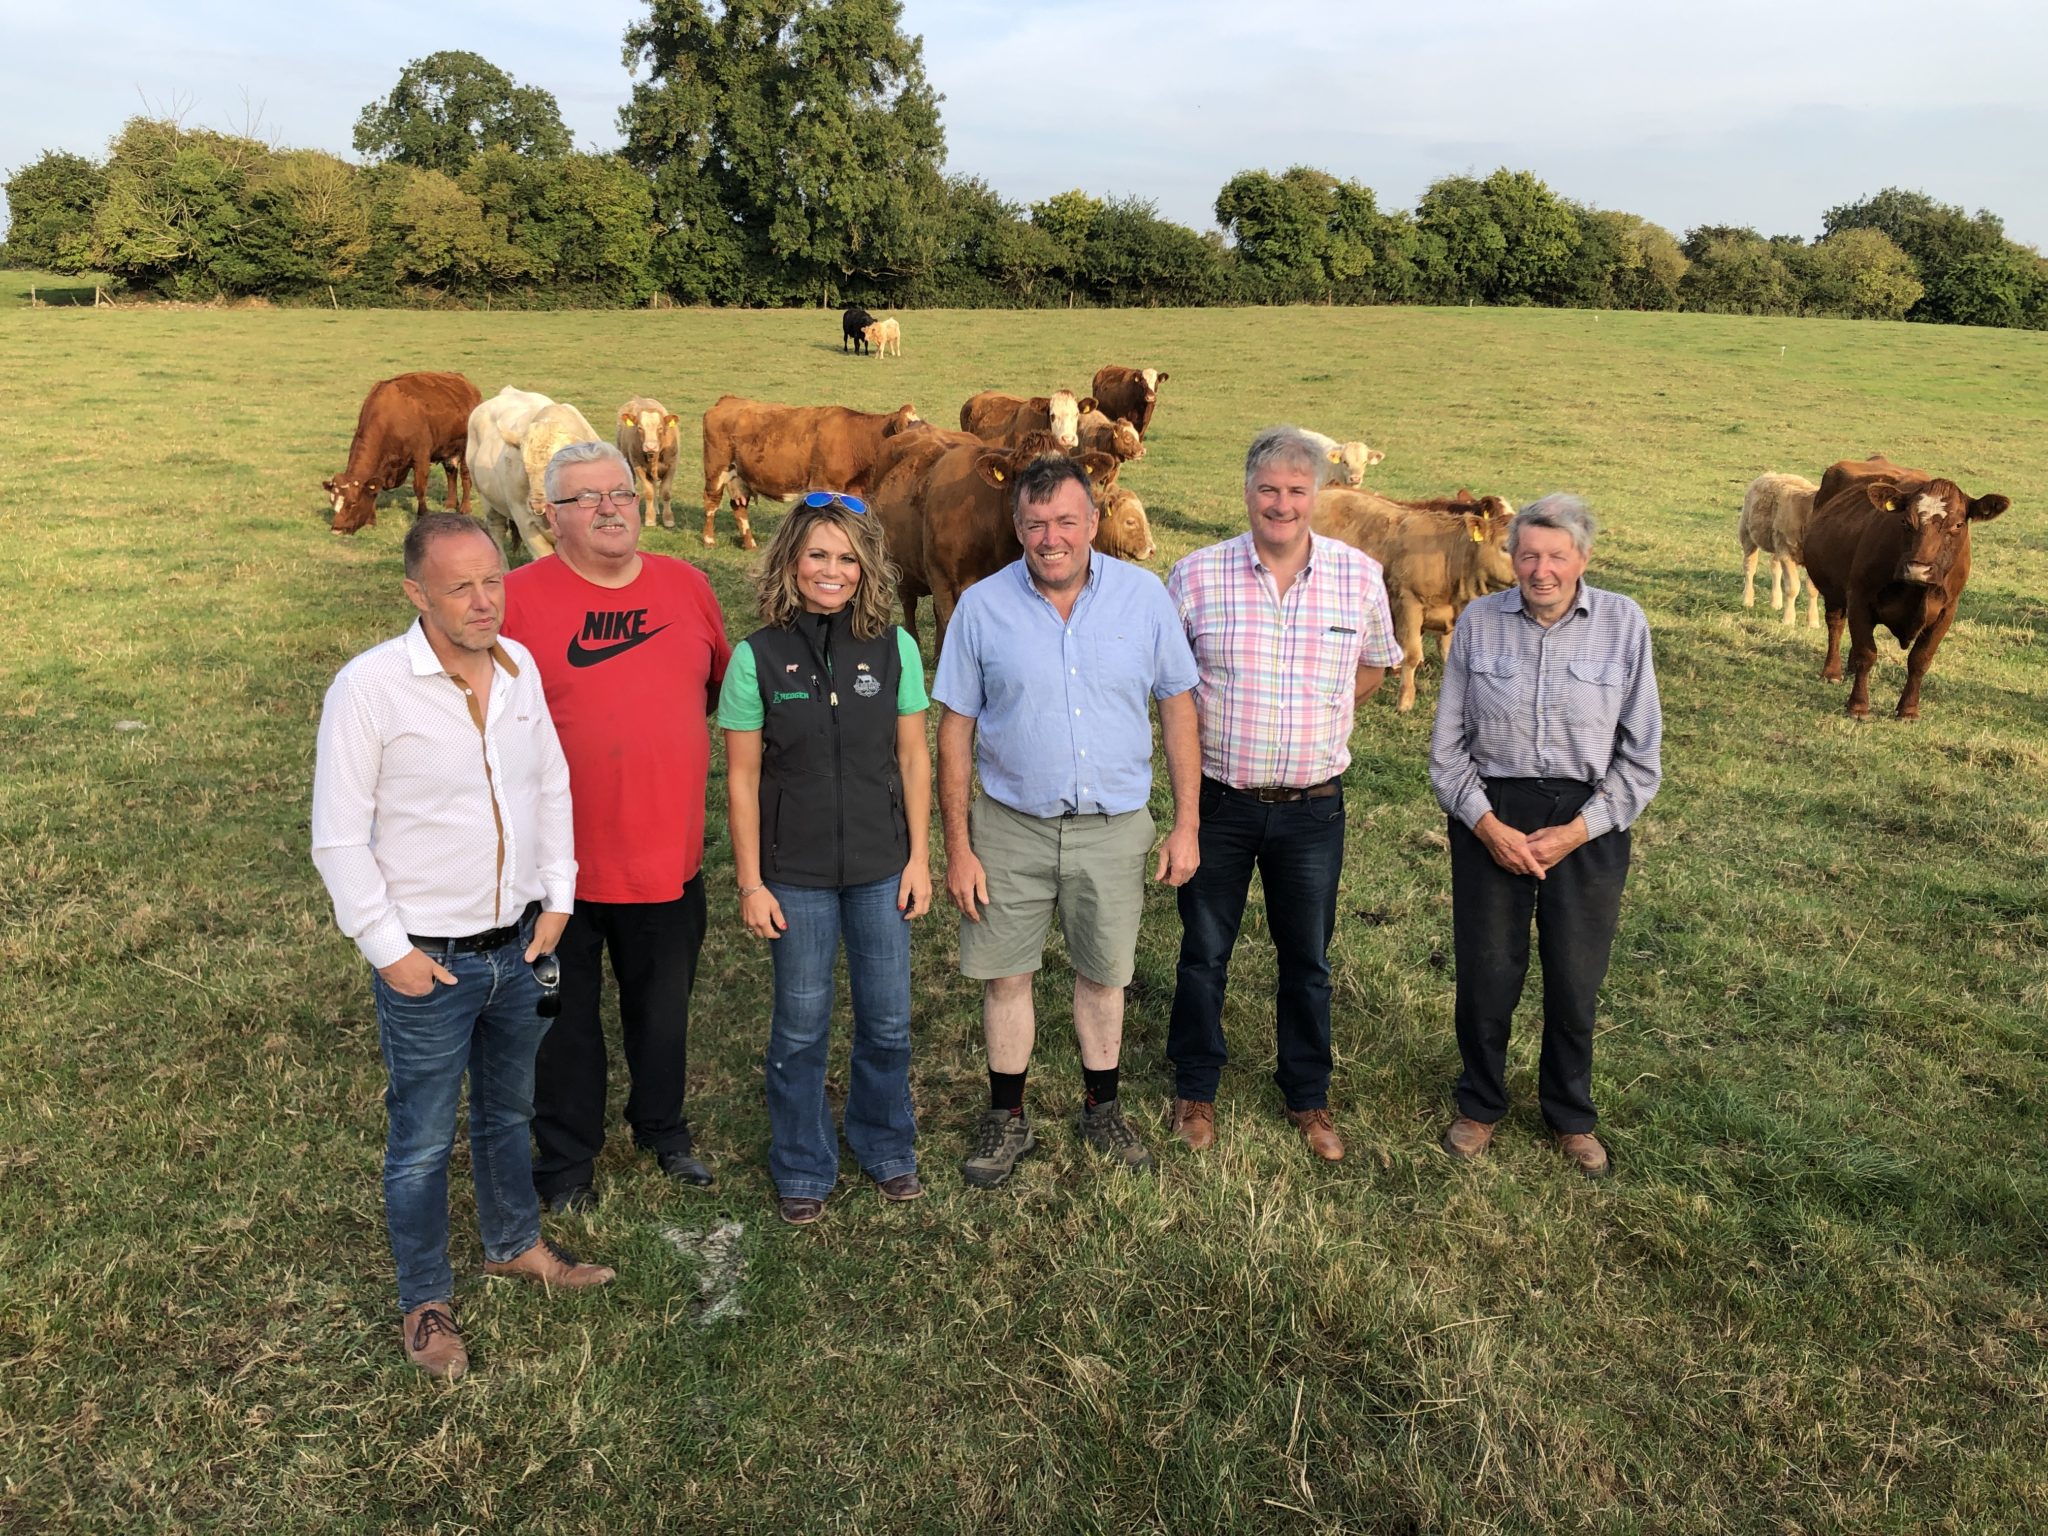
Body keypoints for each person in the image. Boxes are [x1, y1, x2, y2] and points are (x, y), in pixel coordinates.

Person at [312, 512, 614, 1382]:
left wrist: (556, 898)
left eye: (494, 581)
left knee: (507, 1113)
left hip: (517, 949)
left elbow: (550, 781)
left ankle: (514, 1244)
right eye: (460, 587)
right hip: (429, 960)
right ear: (415, 594)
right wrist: (388, 948)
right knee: (419, 1138)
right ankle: (425, 1300)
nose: (485, 602)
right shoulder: (369, 688)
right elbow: (338, 837)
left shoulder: (517, 669)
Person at [933, 454, 1202, 1187]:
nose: (1051, 537)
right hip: (1009, 825)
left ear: (1092, 521)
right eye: (1034, 523)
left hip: (1113, 826)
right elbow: (954, 727)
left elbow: (1177, 706)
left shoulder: (1144, 600)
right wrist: (957, 845)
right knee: (1006, 976)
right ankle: (1007, 1118)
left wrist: (1187, 824)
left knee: (1103, 975)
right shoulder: (981, 607)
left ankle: (1101, 1106)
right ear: (1016, 526)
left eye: (1066, 521)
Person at [501, 442, 731, 1210]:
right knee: (562, 1024)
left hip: (666, 855)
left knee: (662, 1014)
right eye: (585, 498)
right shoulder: (518, 601)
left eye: (621, 493)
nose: (608, 508)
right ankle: (567, 1162)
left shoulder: (688, 586)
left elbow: (715, 693)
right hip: (555, 869)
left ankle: (663, 1128)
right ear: (549, 516)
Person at [1163, 428, 1404, 1161]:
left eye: (1298, 491)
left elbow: (1376, 665)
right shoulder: (1195, 576)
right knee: (1204, 951)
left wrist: (1325, 711)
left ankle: (1307, 1096)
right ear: (1246, 493)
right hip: (1222, 801)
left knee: (1309, 958)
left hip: (1312, 807)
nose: (1282, 503)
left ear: (1318, 496)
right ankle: (1195, 1088)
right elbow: (1172, 687)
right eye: (1268, 489)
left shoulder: (1358, 576)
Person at [1426, 494, 1662, 1178]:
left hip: (1586, 822)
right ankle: (1480, 1104)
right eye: (1527, 554)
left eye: (1557, 556)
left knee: (1574, 975)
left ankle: (1570, 1114)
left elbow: (1641, 754)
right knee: (1486, 971)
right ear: (1511, 556)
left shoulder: (1623, 623)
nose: (1541, 569)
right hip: (1491, 813)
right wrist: (1489, 826)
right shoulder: (1478, 622)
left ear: (1584, 559)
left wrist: (1576, 832)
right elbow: (1447, 749)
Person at [719, 491, 934, 1225]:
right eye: (817, 554)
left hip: (882, 868)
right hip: (796, 876)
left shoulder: (895, 646)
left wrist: (919, 860)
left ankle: (884, 1144)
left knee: (888, 1022)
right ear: (790, 559)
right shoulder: (755, 656)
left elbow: (913, 758)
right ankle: (803, 1162)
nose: (831, 570)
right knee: (801, 1028)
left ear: (866, 565)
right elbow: (743, 778)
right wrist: (751, 882)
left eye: (846, 556)